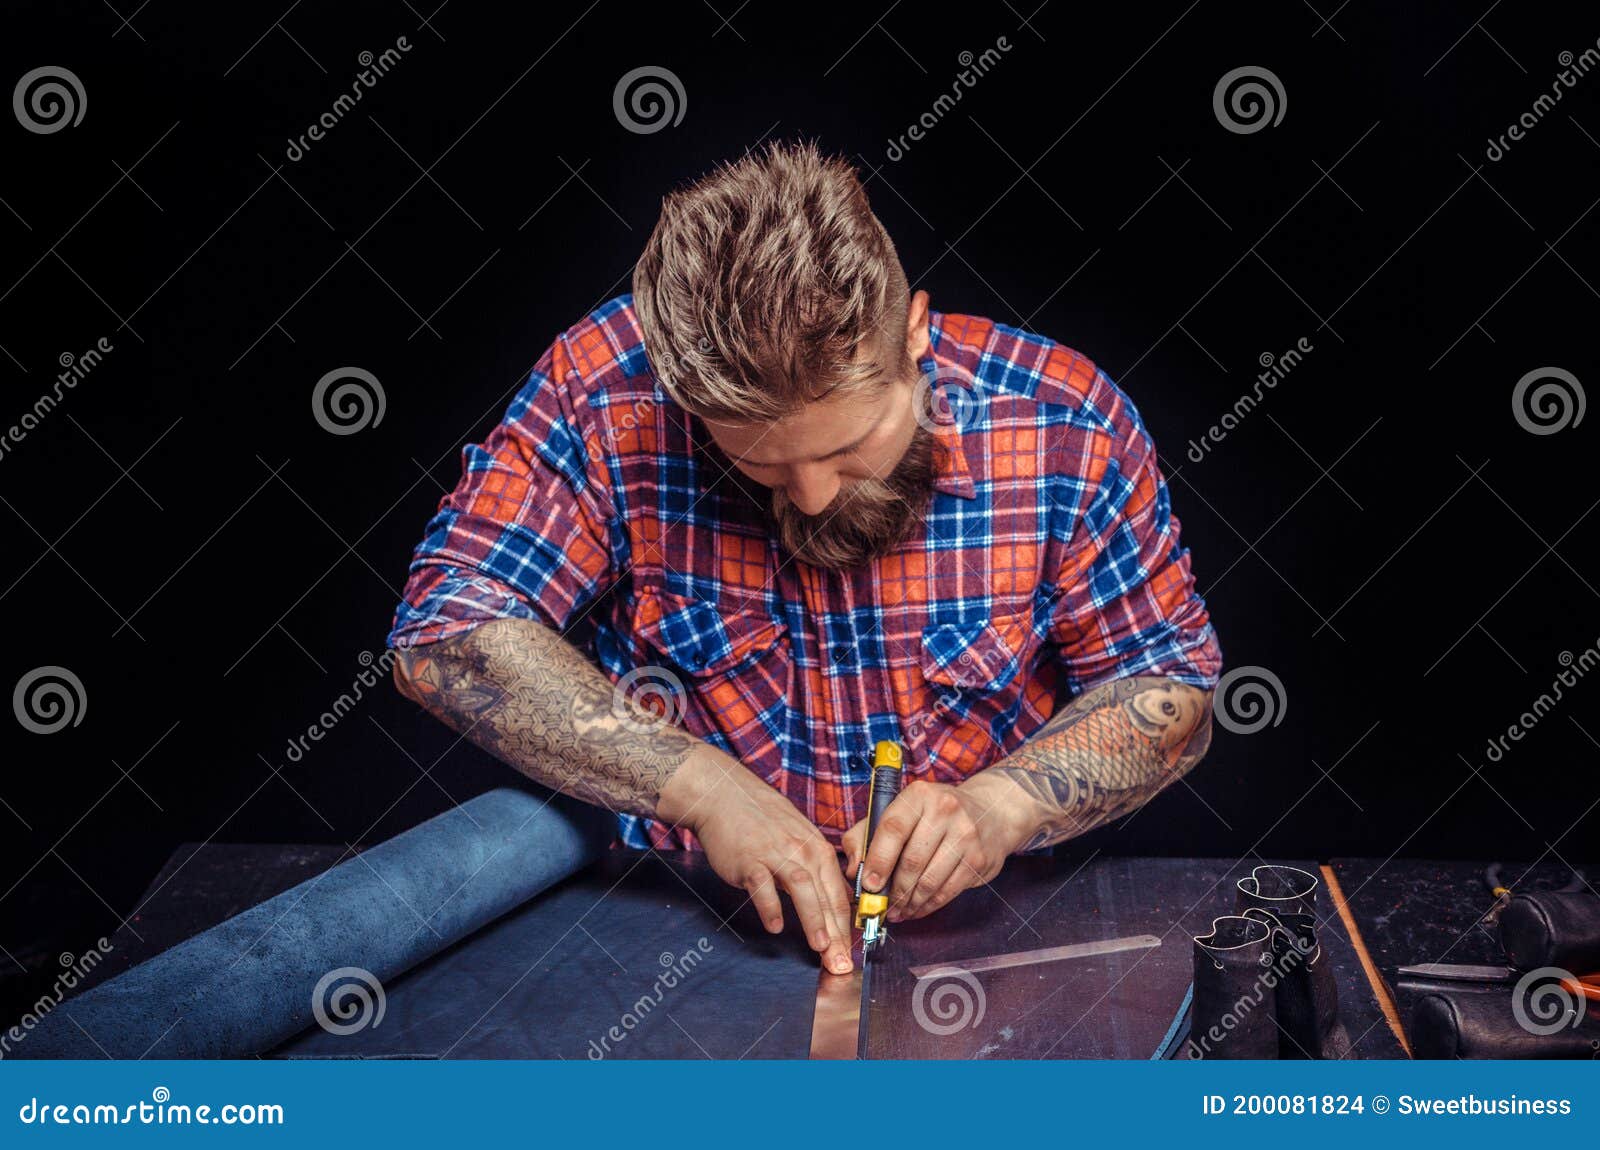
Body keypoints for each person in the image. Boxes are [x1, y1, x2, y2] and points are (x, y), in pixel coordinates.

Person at [389, 140, 1221, 976]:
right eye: (762, 462)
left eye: (852, 445)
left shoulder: (1064, 424)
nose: (814, 496)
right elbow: (445, 631)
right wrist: (699, 787)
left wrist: (997, 810)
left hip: (983, 949)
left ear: (915, 333)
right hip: (673, 930)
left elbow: (1169, 681)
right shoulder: (606, 392)